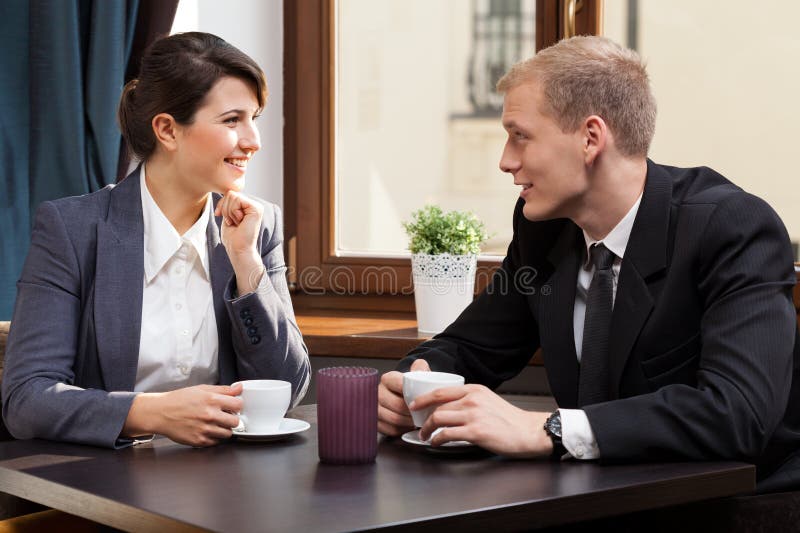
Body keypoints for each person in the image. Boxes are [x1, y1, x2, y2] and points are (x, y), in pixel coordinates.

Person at [378, 36, 800, 492]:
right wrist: (411, 382)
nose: (505, 160)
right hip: (592, 497)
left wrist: (549, 429)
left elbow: (739, 413)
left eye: (520, 136)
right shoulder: (544, 229)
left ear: (590, 138)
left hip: (732, 503)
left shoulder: (732, 227)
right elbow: (473, 346)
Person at [1, 32, 310, 449]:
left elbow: (287, 388)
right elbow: (26, 398)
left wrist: (247, 264)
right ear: (167, 130)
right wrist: (149, 412)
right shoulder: (72, 229)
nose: (253, 140)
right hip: (102, 477)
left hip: (229, 476)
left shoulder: (258, 225)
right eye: (232, 120)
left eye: (254, 118)